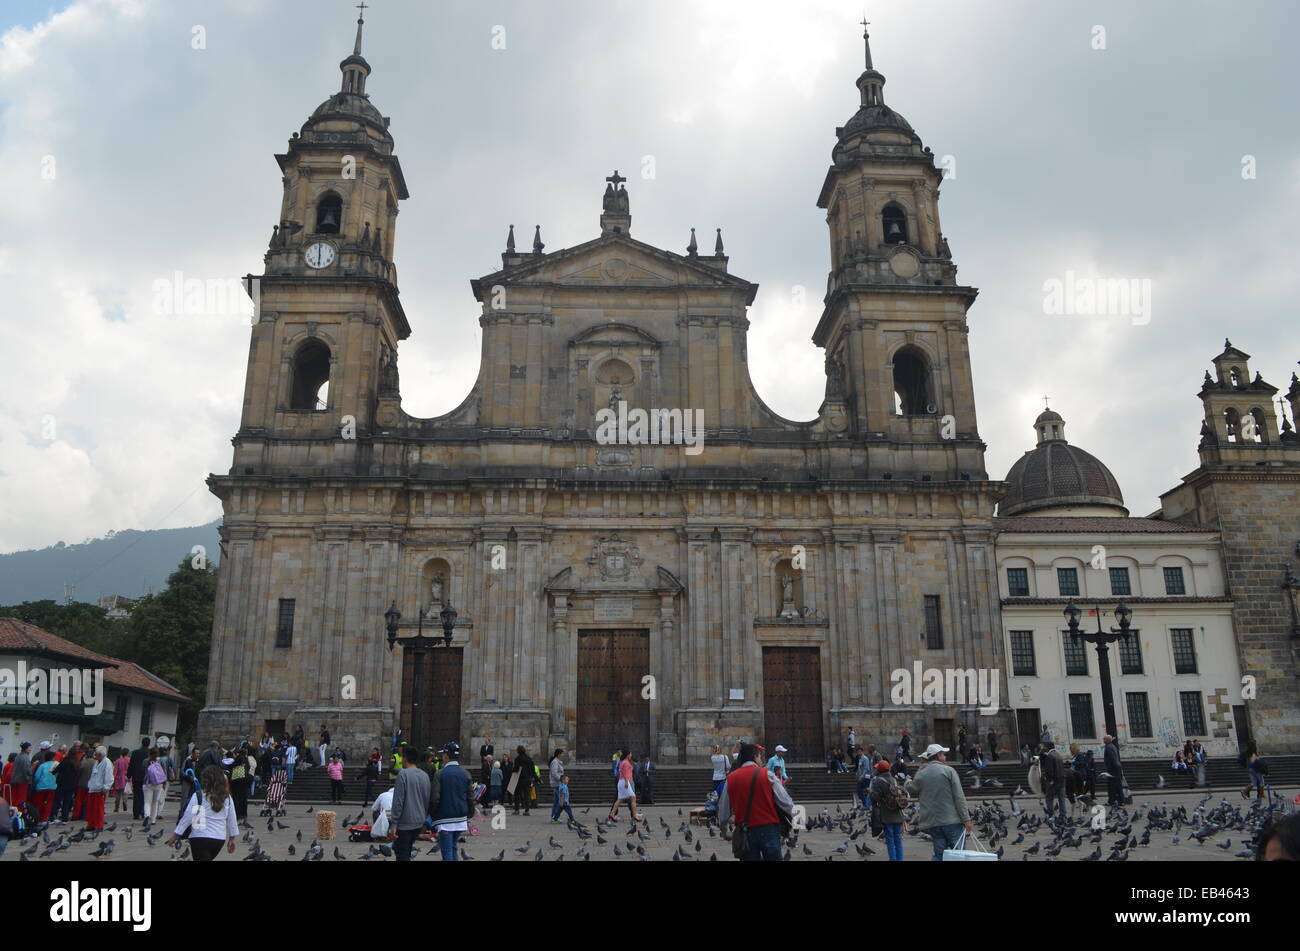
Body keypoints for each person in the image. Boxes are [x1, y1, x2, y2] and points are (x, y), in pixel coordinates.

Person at [717, 742, 795, 861]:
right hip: (769, 829)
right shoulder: (768, 775)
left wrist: (724, 829)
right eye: (759, 756)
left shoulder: (731, 779)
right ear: (754, 757)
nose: (761, 760)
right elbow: (787, 803)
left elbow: (723, 809)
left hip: (745, 831)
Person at [904, 743, 972, 861]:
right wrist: (966, 819)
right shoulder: (949, 771)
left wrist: (908, 780)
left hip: (934, 823)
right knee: (959, 854)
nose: (945, 757)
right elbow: (959, 797)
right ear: (938, 756)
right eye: (943, 754)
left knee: (939, 855)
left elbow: (910, 788)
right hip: (952, 821)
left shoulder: (922, 773)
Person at [169, 765, 238, 861]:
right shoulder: (227, 798)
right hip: (218, 839)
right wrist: (232, 838)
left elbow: (188, 817)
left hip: (199, 837)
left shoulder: (198, 795)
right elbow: (232, 819)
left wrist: (175, 835)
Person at [427, 742, 470, 861]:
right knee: (453, 848)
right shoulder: (465, 774)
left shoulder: (440, 774)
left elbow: (435, 798)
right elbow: (470, 797)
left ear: (446, 756)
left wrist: (432, 814)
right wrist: (468, 814)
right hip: (461, 817)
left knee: (447, 853)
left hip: (445, 819)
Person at [388, 750, 432, 861]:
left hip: (404, 823)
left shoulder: (403, 774)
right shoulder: (424, 775)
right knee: (407, 852)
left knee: (402, 854)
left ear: (405, 759)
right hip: (418, 822)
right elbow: (427, 799)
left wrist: (394, 823)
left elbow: (398, 801)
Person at [870, 759, 907, 861]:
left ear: (880, 770)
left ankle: (893, 859)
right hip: (898, 814)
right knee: (898, 840)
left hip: (887, 815)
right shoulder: (893, 779)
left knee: (890, 840)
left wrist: (871, 792)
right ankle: (900, 859)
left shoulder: (879, 781)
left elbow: (874, 798)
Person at [607, 748, 645, 824]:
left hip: (622, 781)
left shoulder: (625, 762)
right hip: (625, 781)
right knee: (633, 798)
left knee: (620, 799)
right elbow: (623, 772)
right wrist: (626, 781)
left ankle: (612, 814)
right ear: (627, 755)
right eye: (630, 754)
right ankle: (634, 816)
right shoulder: (625, 762)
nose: (631, 755)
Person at [85, 747, 112, 831]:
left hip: (100, 789)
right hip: (93, 788)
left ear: (100, 754)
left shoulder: (107, 762)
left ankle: (99, 825)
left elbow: (109, 776)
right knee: (91, 808)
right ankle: (91, 824)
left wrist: (106, 787)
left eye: (96, 754)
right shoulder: (96, 762)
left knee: (99, 809)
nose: (94, 756)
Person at [52, 743, 81, 823]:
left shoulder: (66, 761)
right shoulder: (78, 763)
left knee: (57, 800)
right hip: (72, 784)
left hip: (62, 783)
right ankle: (65, 817)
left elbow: (55, 770)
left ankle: (53, 815)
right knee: (67, 801)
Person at [1040, 742, 1069, 820]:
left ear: (1047, 747)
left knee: (1049, 798)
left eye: (1045, 747)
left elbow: (1049, 770)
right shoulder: (1058, 754)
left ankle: (1051, 814)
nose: (1044, 748)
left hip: (1053, 781)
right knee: (1061, 799)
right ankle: (1063, 815)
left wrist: (1049, 780)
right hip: (1062, 780)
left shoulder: (1049, 756)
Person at [144, 748, 169, 822]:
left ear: (149, 753)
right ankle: (153, 820)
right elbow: (164, 772)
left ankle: (147, 815)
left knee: (147, 802)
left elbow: (143, 771)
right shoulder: (161, 761)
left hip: (148, 784)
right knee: (155, 802)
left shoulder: (146, 761)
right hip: (159, 784)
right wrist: (164, 783)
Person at [33, 750, 58, 821]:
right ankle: (45, 817)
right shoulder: (55, 765)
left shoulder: (42, 765)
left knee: (39, 803)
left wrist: (36, 784)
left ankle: (38, 817)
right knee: (49, 803)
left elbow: (37, 776)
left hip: (41, 787)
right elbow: (55, 775)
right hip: (52, 786)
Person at [1102, 734, 1125, 806]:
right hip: (1116, 768)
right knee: (1118, 785)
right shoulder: (1112, 746)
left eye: (1104, 739)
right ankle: (1121, 801)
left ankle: (1111, 801)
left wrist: (1109, 769)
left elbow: (1111, 759)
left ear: (1108, 740)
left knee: (1111, 785)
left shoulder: (1108, 747)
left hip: (1113, 769)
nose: (1103, 740)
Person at [511, 746, 535, 816]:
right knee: (526, 795)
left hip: (519, 779)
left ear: (518, 751)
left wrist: (512, 772)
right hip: (527, 779)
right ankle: (527, 810)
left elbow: (516, 769)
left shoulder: (518, 758)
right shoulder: (529, 759)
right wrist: (532, 777)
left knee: (517, 795)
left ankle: (517, 810)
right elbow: (532, 769)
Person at [10, 741, 33, 808]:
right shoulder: (25, 757)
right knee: (21, 799)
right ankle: (20, 813)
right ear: (26, 748)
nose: (31, 749)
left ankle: (13, 812)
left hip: (15, 780)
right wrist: (29, 778)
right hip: (23, 781)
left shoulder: (18, 756)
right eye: (30, 747)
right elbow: (27, 770)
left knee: (14, 798)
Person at [548, 749, 566, 819]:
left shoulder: (557, 762)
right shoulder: (555, 762)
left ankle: (554, 817)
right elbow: (554, 773)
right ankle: (555, 817)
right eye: (562, 754)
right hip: (558, 784)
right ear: (558, 754)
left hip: (559, 784)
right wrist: (562, 780)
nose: (563, 755)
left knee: (556, 802)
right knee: (561, 802)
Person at [855, 745, 873, 809]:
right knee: (861, 790)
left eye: (860, 751)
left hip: (866, 777)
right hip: (861, 777)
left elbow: (866, 769)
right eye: (858, 752)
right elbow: (859, 768)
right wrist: (857, 775)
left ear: (862, 752)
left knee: (860, 789)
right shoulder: (859, 759)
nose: (859, 753)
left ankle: (866, 804)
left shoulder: (865, 759)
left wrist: (862, 776)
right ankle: (866, 803)